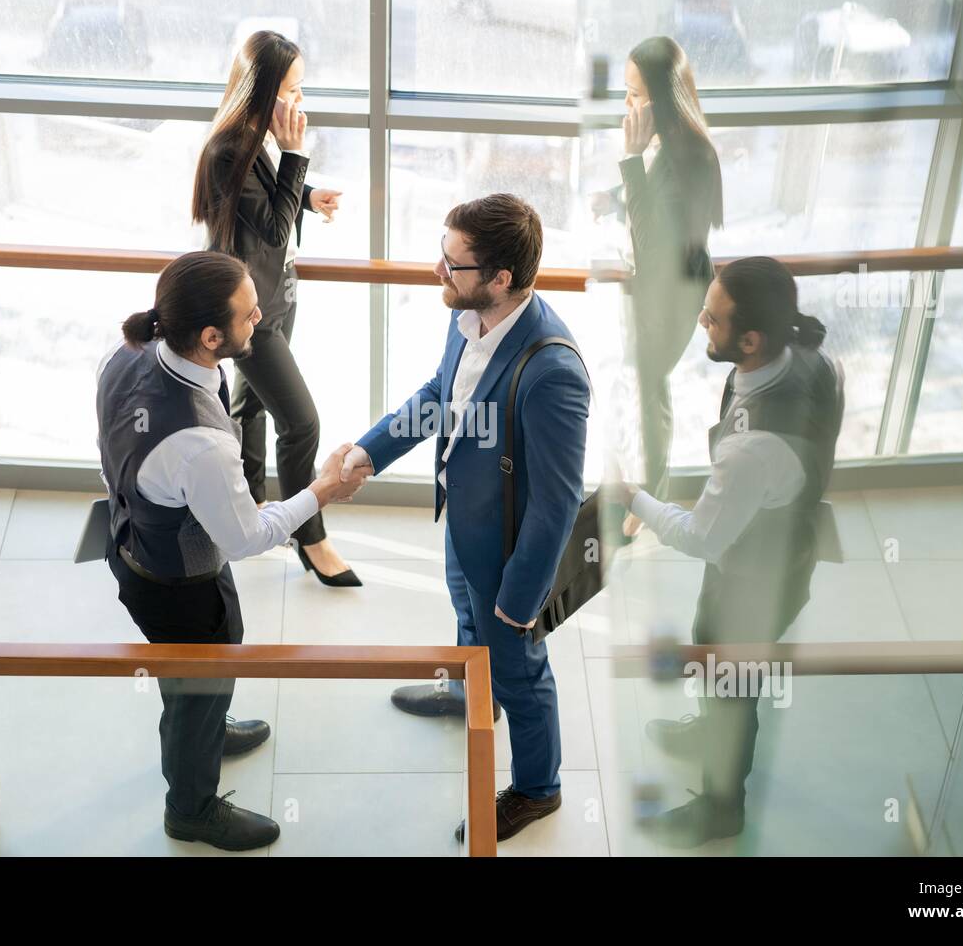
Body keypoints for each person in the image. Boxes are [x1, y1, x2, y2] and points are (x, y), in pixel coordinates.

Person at [96, 251, 369, 852]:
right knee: (199, 677)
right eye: (250, 315)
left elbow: (114, 448)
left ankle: (208, 726)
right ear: (212, 336)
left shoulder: (125, 355)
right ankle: (190, 808)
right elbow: (247, 538)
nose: (261, 317)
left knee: (197, 673)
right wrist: (321, 490)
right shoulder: (200, 445)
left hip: (135, 546)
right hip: (177, 585)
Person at [341, 194, 591, 842]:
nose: (437, 273)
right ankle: (464, 692)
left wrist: (517, 603)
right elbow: (437, 396)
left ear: (500, 278)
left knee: (518, 668)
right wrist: (371, 451)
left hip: (509, 558)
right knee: (461, 610)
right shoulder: (472, 318)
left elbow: (558, 502)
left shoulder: (553, 372)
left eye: (452, 264)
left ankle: (540, 789)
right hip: (466, 519)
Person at [609, 256, 843, 847]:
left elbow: (700, 537)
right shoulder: (809, 360)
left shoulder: (753, 450)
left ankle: (721, 808)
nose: (700, 322)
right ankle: (709, 725)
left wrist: (633, 496)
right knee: (722, 674)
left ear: (751, 338)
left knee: (733, 686)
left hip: (752, 582)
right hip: (778, 552)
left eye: (711, 320)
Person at [191, 29, 358, 587]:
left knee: (250, 408)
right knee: (302, 422)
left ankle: (245, 511)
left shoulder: (255, 137)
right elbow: (270, 224)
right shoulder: (228, 148)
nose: (299, 102)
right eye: (291, 90)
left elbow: (265, 205)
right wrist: (297, 156)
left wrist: (307, 194)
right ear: (261, 91)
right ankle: (308, 536)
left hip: (277, 298)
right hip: (250, 314)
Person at [597, 36, 723, 529]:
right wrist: (613, 193)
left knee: (650, 393)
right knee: (647, 389)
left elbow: (654, 246)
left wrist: (627, 161)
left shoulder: (684, 154)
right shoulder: (670, 143)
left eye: (635, 94)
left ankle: (649, 502)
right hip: (661, 286)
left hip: (669, 292)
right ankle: (649, 495)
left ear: (664, 98)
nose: (628, 105)